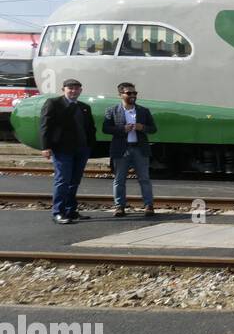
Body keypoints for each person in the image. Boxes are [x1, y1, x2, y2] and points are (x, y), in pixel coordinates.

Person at [39, 78, 95, 224]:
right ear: (63, 89)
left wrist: (90, 146)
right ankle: (58, 212)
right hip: (62, 149)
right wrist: (46, 146)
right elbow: (46, 126)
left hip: (82, 149)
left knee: (74, 181)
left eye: (76, 88)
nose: (73, 91)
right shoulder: (54, 103)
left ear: (80, 91)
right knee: (62, 180)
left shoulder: (84, 107)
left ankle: (71, 210)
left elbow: (90, 128)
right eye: (70, 88)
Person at [102, 82, 157, 217]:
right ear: (121, 95)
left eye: (134, 93)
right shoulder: (112, 110)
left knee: (144, 178)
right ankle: (119, 206)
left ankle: (148, 205)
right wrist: (122, 129)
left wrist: (142, 127)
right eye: (129, 93)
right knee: (119, 179)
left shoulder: (143, 111)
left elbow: (153, 129)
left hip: (140, 149)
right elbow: (105, 129)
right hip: (121, 150)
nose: (133, 95)